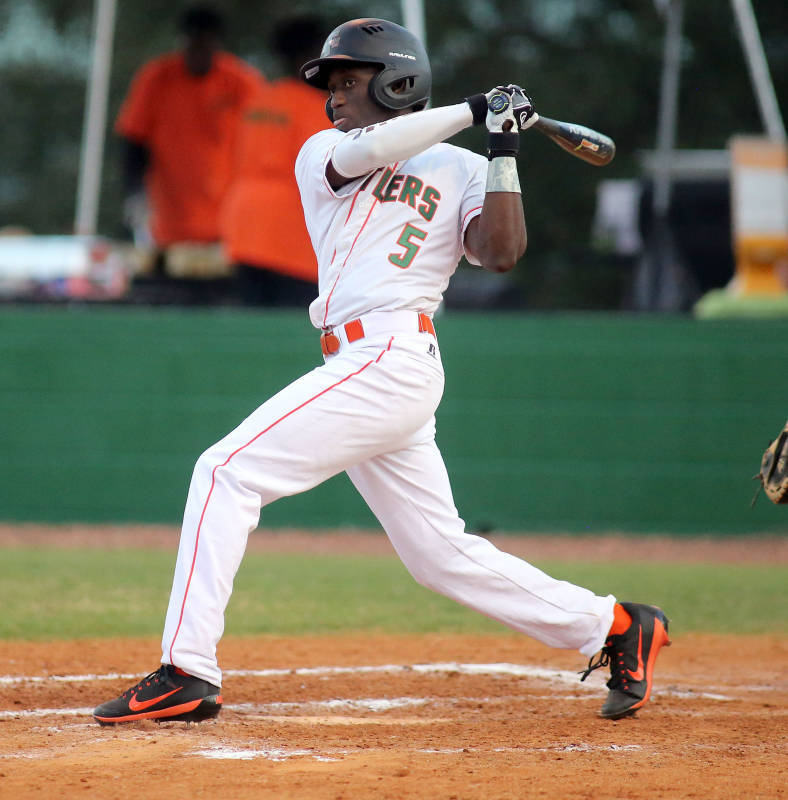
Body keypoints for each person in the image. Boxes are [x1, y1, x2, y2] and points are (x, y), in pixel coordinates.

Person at [93, 18, 671, 726]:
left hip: (394, 357)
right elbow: (374, 149)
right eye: (330, 84)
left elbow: (501, 251)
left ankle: (186, 670)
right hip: (359, 361)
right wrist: (472, 109)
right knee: (439, 558)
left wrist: (501, 148)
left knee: (225, 471)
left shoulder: (460, 167)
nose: (333, 96)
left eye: (348, 80)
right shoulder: (324, 152)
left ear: (398, 81)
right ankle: (615, 626)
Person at [115, 5, 264, 254]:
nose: (199, 51)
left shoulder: (241, 82)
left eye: (206, 43)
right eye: (193, 42)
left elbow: (262, 142)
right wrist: (135, 196)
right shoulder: (157, 78)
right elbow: (133, 140)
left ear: (217, 44)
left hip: (227, 223)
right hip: (168, 221)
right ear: (183, 41)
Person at [221, 16, 328, 307]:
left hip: (243, 224)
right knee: (295, 334)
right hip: (290, 233)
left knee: (252, 329)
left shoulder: (258, 100)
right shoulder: (319, 108)